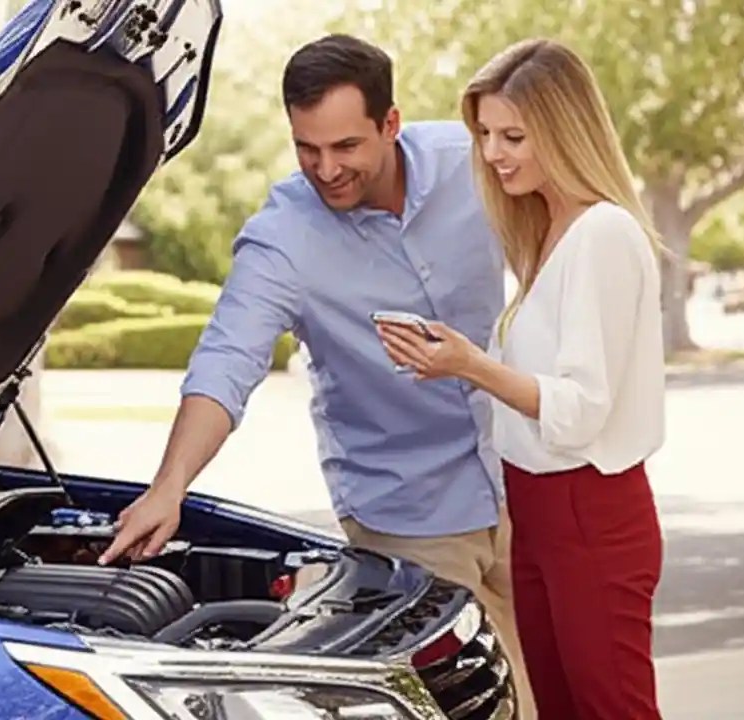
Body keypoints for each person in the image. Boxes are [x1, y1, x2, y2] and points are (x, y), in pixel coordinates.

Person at [97, 33, 537, 718]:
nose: (326, 169)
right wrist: (169, 486)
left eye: (346, 147)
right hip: (409, 517)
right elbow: (226, 360)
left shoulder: (470, 163)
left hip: (521, 480)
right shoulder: (284, 239)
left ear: (390, 125)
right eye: (308, 149)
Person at [377, 38, 666, 719]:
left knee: (611, 709)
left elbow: (579, 410)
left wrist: (471, 366)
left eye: (513, 135)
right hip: (537, 513)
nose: (493, 153)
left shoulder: (601, 234)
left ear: (565, 131)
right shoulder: (548, 234)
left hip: (590, 511)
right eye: (483, 134)